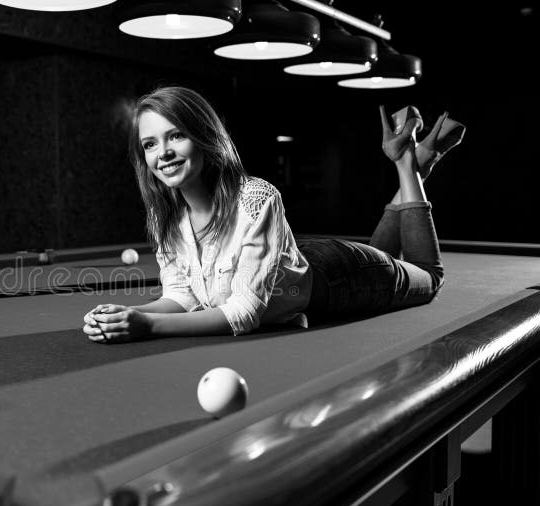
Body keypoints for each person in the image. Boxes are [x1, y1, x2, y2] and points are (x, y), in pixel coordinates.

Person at [82, 86, 465, 343]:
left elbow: (244, 312)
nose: (162, 152)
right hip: (292, 266)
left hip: (338, 280)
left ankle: (407, 162)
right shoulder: (166, 217)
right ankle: (414, 167)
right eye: (150, 144)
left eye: (175, 136)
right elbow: (182, 297)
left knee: (427, 277)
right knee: (387, 257)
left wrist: (148, 325)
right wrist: (126, 314)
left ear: (203, 137)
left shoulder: (256, 197)